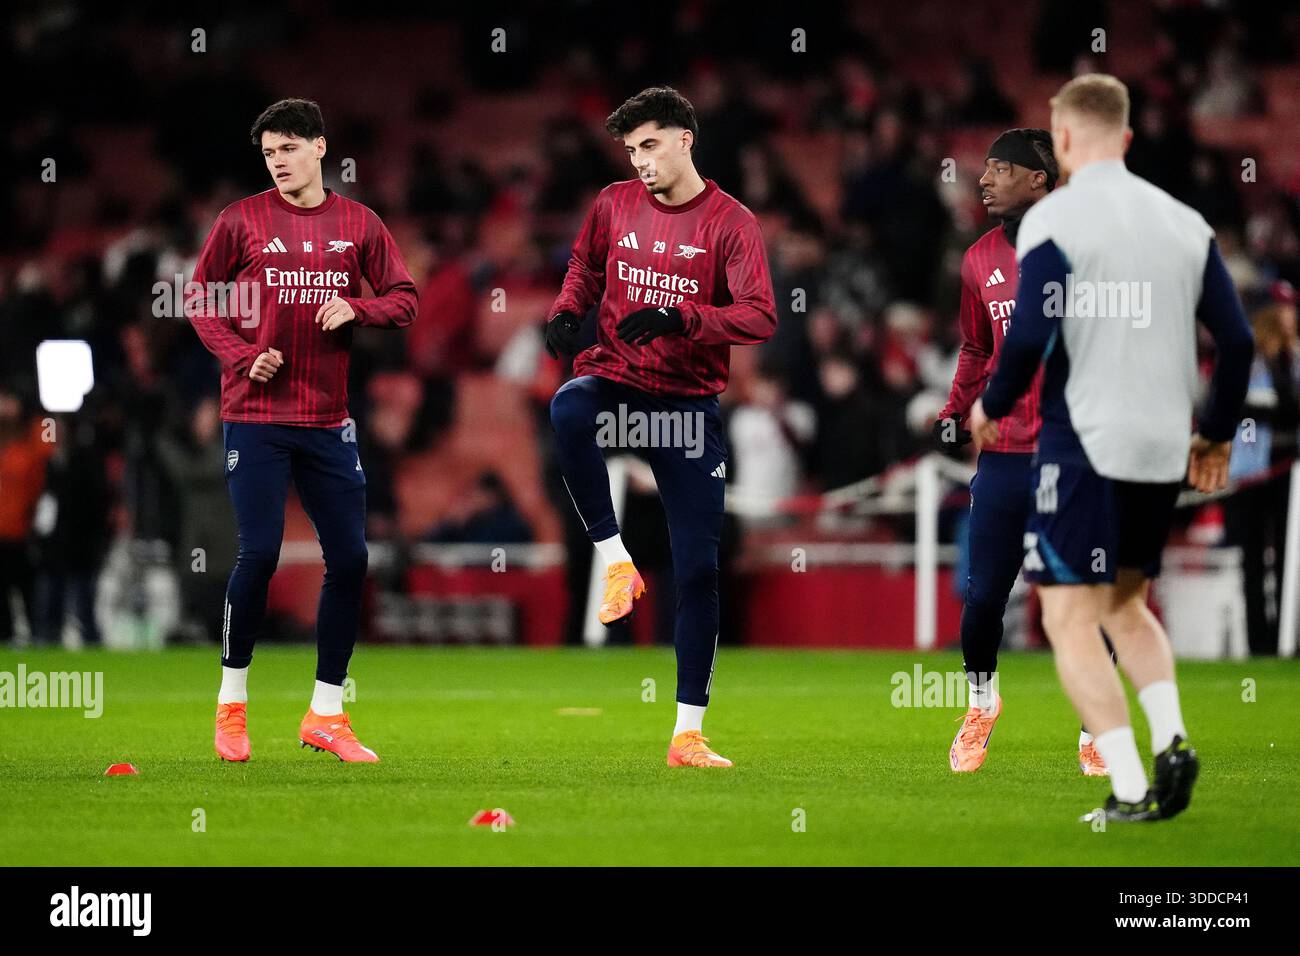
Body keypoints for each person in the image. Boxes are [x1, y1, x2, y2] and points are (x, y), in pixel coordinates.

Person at [970, 74, 1253, 821]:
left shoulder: (1055, 221)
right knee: (1127, 603)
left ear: (1061, 141)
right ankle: (1176, 743)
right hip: (1160, 449)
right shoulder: (1184, 222)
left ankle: (1130, 789)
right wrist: (1217, 435)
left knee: (1069, 618)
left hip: (1084, 443)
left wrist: (990, 406)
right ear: (1126, 139)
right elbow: (1238, 339)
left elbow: (1029, 333)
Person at [544, 86, 776, 768]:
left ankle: (688, 734)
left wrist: (687, 319)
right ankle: (616, 561)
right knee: (566, 408)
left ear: (684, 140)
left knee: (699, 569)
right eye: (631, 149)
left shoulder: (732, 224)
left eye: (649, 145)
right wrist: (565, 311)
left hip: (686, 408)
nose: (640, 161)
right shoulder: (614, 203)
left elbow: (761, 315)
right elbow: (585, 266)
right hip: (618, 381)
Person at [186, 98, 417, 763]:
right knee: (257, 553)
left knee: (349, 558)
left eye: (289, 148)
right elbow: (199, 296)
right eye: (268, 153)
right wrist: (239, 354)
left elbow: (404, 299)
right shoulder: (242, 220)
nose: (278, 162)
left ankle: (327, 714)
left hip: (326, 419)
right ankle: (232, 705)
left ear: (320, 147)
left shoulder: (358, 224)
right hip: (255, 416)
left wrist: (357, 307)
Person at [935, 129, 1109, 775]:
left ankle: (1095, 727)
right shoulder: (979, 258)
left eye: (1001, 169)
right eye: (984, 169)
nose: (984, 180)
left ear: (1040, 179)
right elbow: (978, 350)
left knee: (1083, 596)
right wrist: (956, 408)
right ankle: (981, 703)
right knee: (983, 599)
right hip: (1004, 452)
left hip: (1074, 451)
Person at [1225, 283, 1300, 654]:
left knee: (1291, 555)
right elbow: (1240, 405)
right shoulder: (1250, 356)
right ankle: (1260, 642)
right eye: (1284, 310)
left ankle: (1289, 636)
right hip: (1254, 471)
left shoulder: (1294, 357)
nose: (1291, 317)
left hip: (1289, 473)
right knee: (1253, 557)